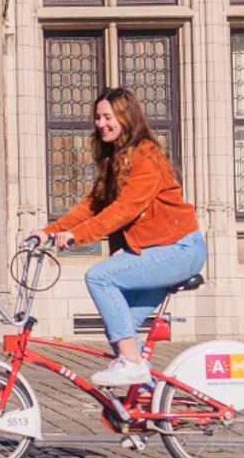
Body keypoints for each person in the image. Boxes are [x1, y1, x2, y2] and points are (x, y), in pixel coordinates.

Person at [32, 87, 205, 388]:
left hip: (179, 250)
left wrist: (76, 236)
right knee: (121, 332)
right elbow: (93, 205)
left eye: (107, 117)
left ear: (126, 118)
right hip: (155, 253)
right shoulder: (116, 161)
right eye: (97, 117)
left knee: (99, 278)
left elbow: (125, 209)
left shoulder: (146, 157)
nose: (101, 124)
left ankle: (133, 366)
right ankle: (150, 408)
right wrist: (48, 231)